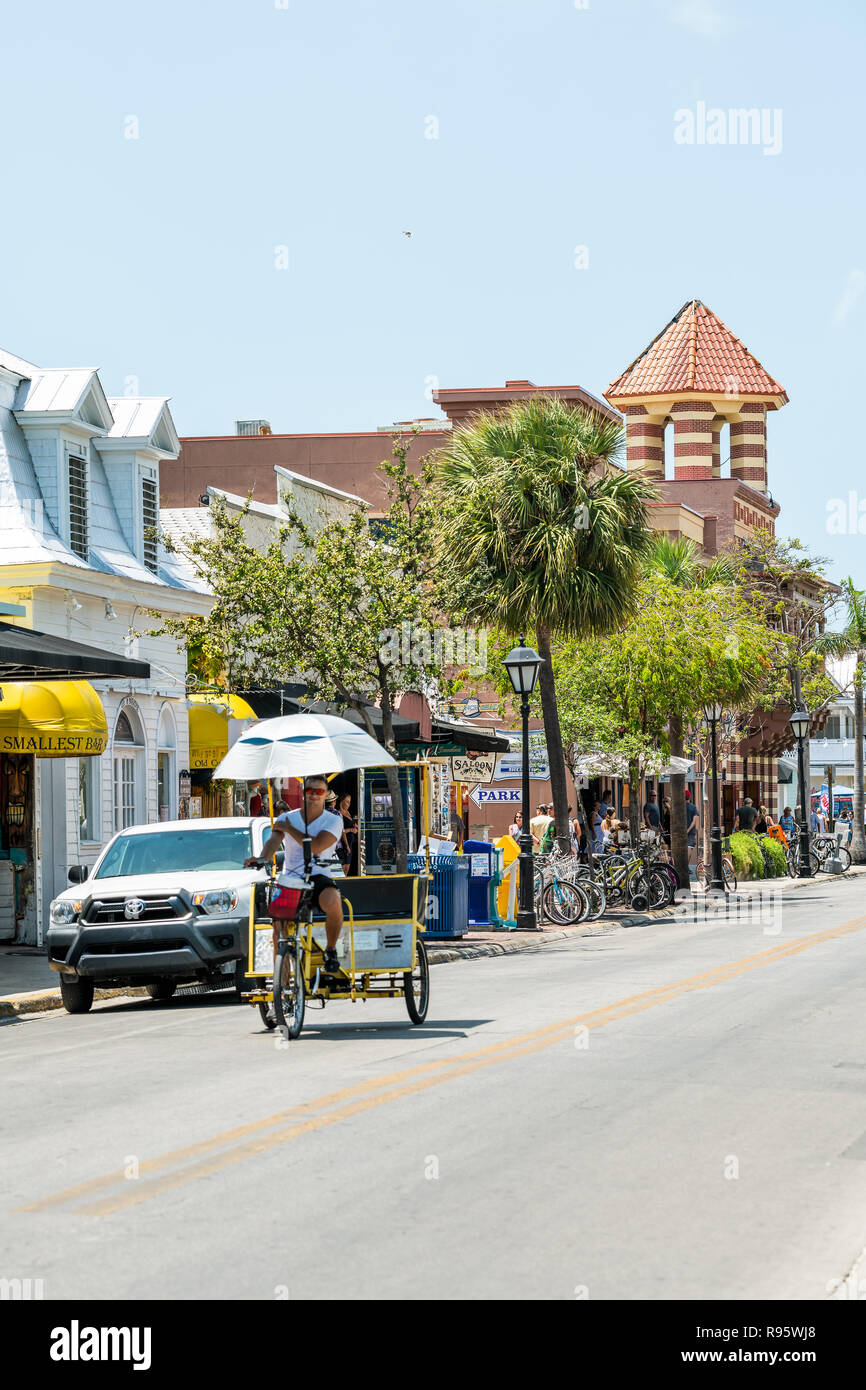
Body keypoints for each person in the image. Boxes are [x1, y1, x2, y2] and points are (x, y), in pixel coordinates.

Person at [244, 774, 345, 977]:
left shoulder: (333, 820)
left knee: (333, 901)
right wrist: (262, 857)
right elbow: (274, 840)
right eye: (310, 791)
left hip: (318, 874)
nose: (314, 795)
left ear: (326, 795)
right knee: (278, 930)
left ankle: (331, 950)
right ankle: (282, 984)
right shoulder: (285, 817)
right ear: (303, 794)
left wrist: (290, 828)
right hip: (291, 877)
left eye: (319, 791)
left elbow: (316, 846)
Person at [336, 792, 356, 868]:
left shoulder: (348, 812)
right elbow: (340, 830)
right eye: (347, 801)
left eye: (350, 802)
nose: (349, 804)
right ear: (341, 801)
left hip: (350, 843)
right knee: (344, 867)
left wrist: (355, 826)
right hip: (344, 843)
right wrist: (351, 830)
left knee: (348, 866)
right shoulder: (339, 813)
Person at [684, 788, 700, 863]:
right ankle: (685, 866)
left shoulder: (680, 807)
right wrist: (688, 830)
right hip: (691, 832)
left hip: (681, 832)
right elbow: (694, 821)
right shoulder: (693, 807)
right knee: (689, 848)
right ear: (689, 797)